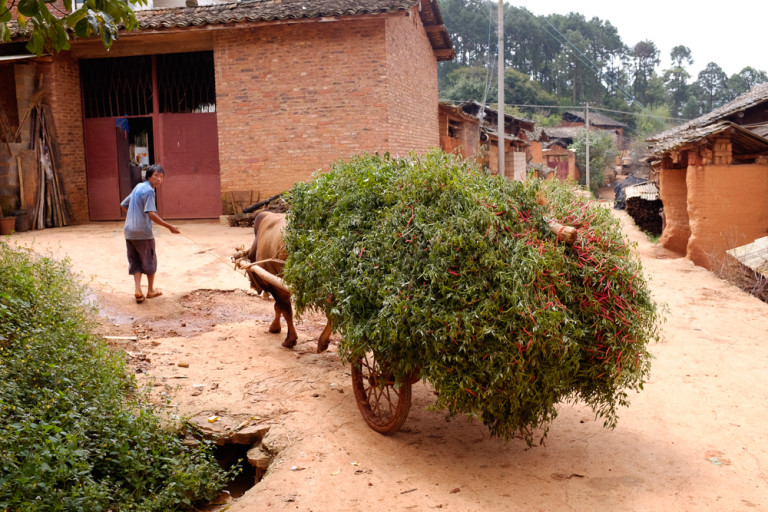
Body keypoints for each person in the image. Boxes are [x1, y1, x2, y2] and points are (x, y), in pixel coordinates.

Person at [120, 164, 180, 303]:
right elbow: (151, 214)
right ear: (148, 176)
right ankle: (151, 290)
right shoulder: (149, 191)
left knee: (135, 260)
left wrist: (134, 216)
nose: (159, 179)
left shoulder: (138, 187)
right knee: (149, 260)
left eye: (161, 176)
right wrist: (169, 227)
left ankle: (137, 290)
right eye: (156, 176)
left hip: (129, 232)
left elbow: (123, 204)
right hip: (143, 233)